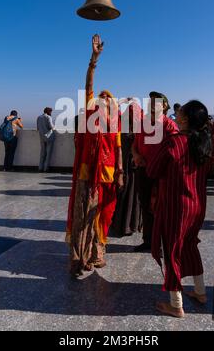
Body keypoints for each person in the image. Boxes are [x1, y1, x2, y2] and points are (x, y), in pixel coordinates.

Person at [146, 100, 212, 318]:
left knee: (173, 251)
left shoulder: (175, 142)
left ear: (184, 119)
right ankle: (201, 292)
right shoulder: (204, 142)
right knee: (191, 246)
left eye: (180, 112)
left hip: (176, 206)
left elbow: (153, 170)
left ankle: (176, 304)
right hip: (197, 206)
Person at [66, 35, 123, 276]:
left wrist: (120, 172)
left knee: (101, 216)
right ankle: (78, 258)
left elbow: (119, 149)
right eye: (102, 98)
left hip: (107, 174)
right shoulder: (91, 111)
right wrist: (94, 60)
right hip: (85, 172)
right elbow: (88, 84)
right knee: (81, 218)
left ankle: (95, 253)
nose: (104, 101)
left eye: (108, 100)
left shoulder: (114, 125)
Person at [132, 92, 178, 252]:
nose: (151, 105)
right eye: (150, 102)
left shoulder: (169, 125)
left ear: (164, 106)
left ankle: (162, 242)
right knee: (145, 206)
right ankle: (149, 241)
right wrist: (136, 155)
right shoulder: (142, 123)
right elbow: (134, 145)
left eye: (155, 102)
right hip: (143, 172)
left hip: (162, 175)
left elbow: (176, 150)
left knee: (161, 208)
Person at [111, 99, 143, 237]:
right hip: (131, 166)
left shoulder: (120, 127)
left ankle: (120, 224)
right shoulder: (137, 130)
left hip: (123, 166)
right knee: (132, 194)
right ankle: (130, 225)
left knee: (125, 194)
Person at [37, 107, 56, 172]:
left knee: (42, 153)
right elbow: (51, 126)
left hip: (42, 137)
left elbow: (38, 128)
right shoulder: (48, 117)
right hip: (49, 137)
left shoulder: (39, 117)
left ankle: (40, 168)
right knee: (48, 153)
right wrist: (54, 126)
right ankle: (46, 168)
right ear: (49, 111)